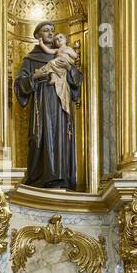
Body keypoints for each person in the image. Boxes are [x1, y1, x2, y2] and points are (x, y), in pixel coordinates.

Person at [15, 21, 82, 191]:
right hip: (42, 101)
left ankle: (62, 177)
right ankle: (41, 178)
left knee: (61, 136)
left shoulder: (61, 55)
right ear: (38, 36)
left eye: (52, 30)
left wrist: (69, 67)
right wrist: (35, 76)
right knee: (43, 137)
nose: (50, 33)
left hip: (61, 102)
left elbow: (77, 79)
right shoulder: (31, 59)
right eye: (46, 31)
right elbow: (19, 83)